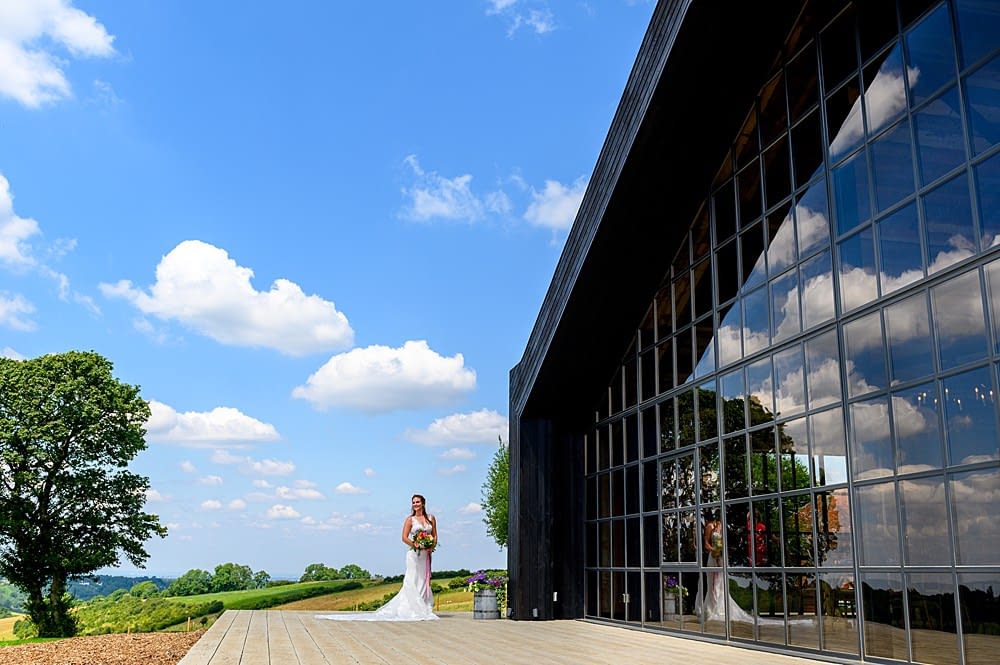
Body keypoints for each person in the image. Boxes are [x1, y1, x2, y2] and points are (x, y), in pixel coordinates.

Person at [316, 494, 439, 621]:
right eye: (413, 502)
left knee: (424, 579)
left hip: (426, 555)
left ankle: (423, 605)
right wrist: (416, 544)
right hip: (414, 554)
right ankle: (412, 608)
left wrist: (431, 546)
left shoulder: (431, 518)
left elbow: (434, 535)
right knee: (412, 579)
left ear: (423, 503)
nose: (415, 504)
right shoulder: (410, 520)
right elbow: (404, 537)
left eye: (417, 502)